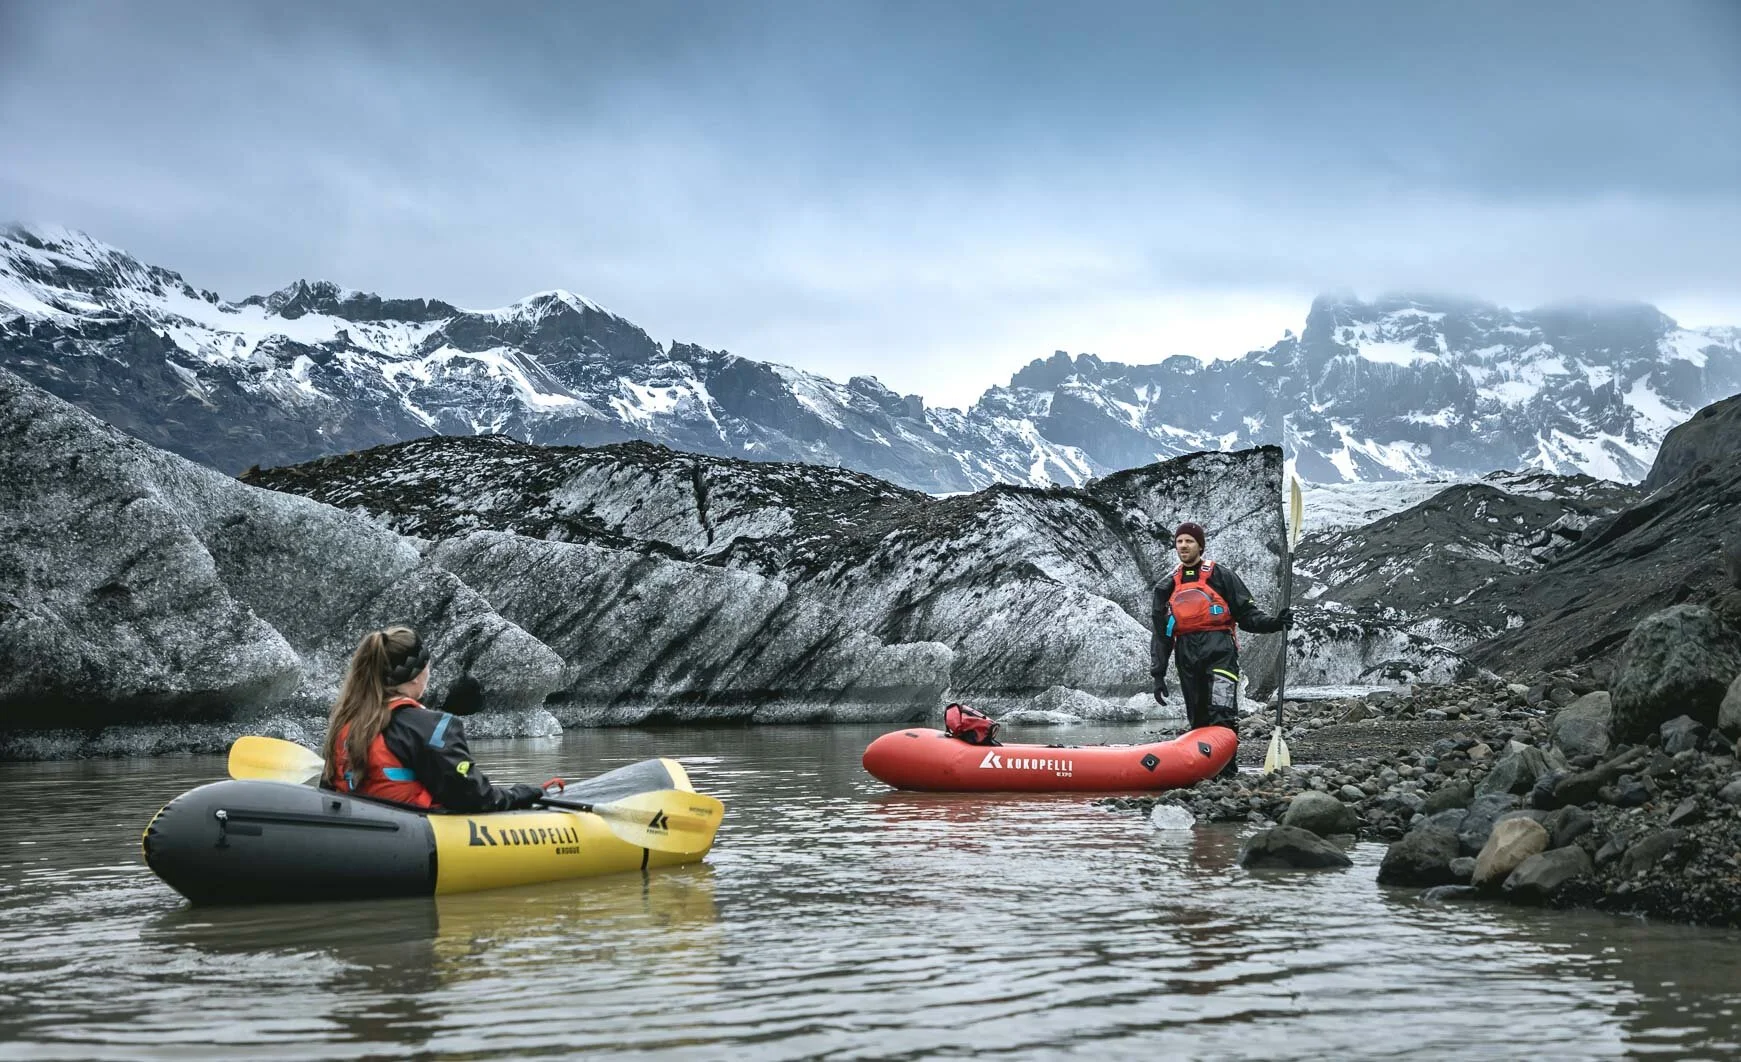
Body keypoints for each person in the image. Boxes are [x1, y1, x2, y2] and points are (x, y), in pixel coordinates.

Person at [320, 625, 556, 811]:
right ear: (416, 676)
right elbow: (473, 798)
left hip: (359, 834)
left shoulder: (344, 725)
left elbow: (328, 789)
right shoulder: (430, 727)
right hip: (414, 837)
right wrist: (523, 793)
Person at [1151, 522, 1294, 757]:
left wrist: (1275, 623)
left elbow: (1247, 615)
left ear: (1200, 546)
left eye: (1189, 541)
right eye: (1180, 541)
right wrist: (1158, 673)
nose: (1184, 546)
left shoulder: (1221, 575)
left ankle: (1226, 770)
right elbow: (1161, 635)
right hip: (1186, 657)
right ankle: (1201, 771)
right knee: (1197, 719)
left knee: (1222, 713)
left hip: (1220, 653)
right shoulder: (1166, 586)